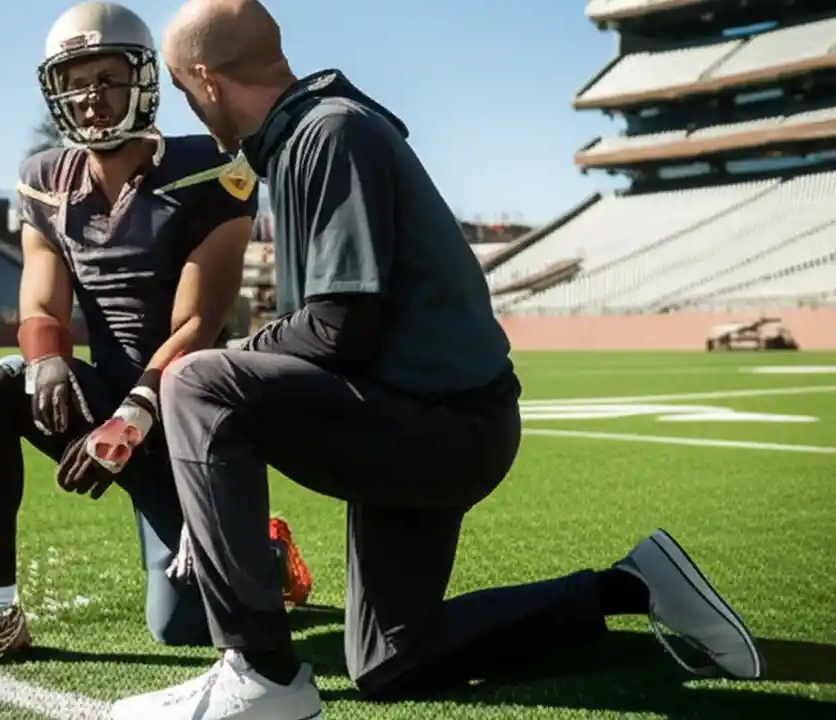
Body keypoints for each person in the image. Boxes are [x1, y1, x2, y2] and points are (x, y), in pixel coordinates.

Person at [108, 1, 764, 717]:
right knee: (392, 661)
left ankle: (263, 674)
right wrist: (219, 507)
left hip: (442, 422)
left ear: (205, 79)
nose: (191, 109)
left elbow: (337, 330)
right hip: (417, 412)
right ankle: (631, 587)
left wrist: (219, 416)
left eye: (181, 91)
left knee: (196, 380)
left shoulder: (330, 133)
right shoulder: (308, 134)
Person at [0, 0, 261, 675]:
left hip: (183, 411)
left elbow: (197, 323)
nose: (90, 97)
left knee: (180, 626)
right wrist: (47, 363)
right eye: (75, 79)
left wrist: (129, 423)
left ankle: (263, 548)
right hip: (104, 395)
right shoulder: (45, 180)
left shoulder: (213, 168)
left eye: (108, 78)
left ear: (145, 81)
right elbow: (40, 297)